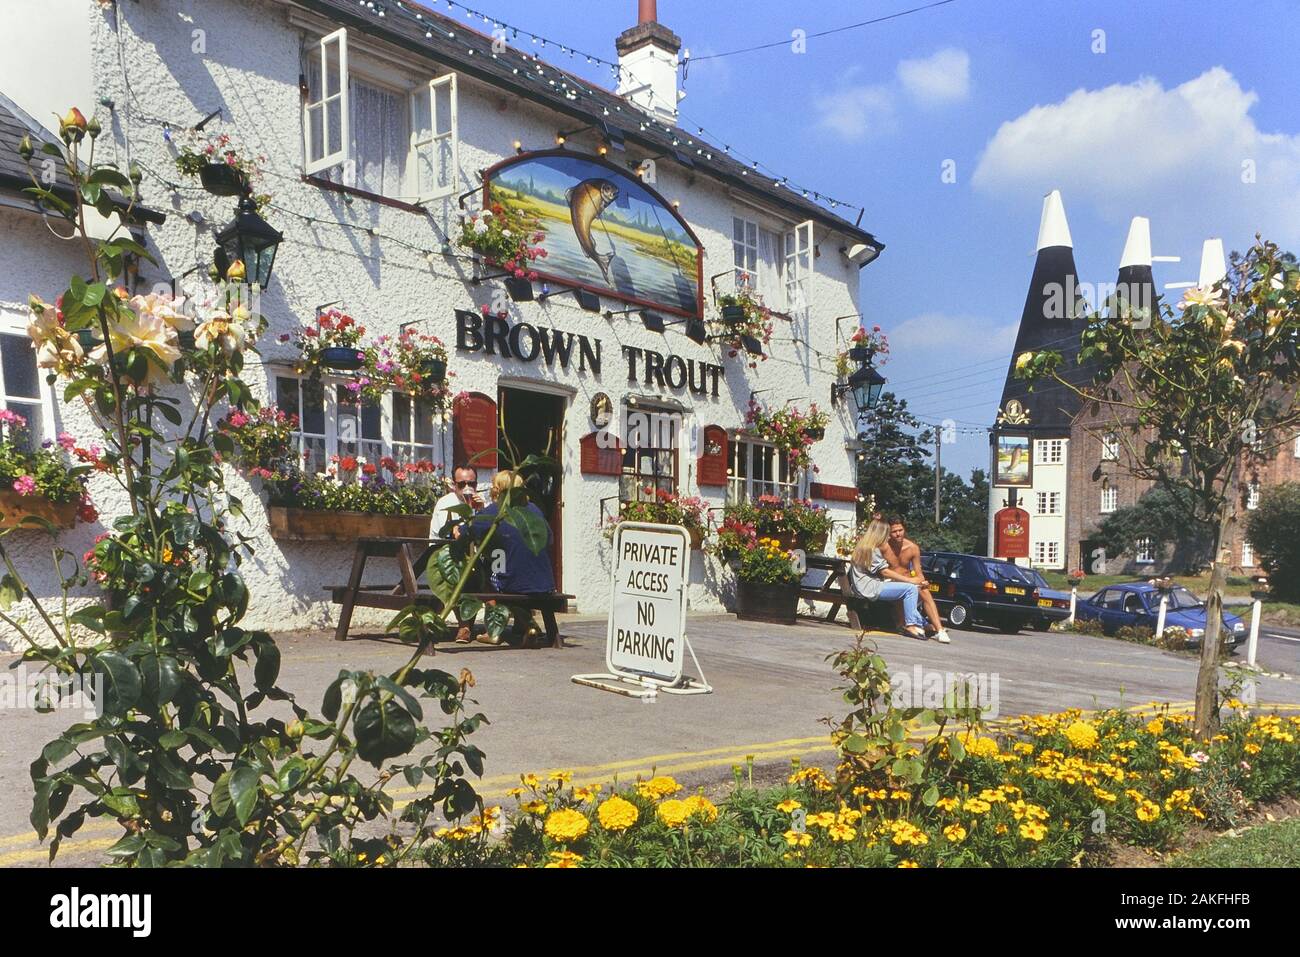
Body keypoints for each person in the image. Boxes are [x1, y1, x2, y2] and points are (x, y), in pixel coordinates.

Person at [465, 470, 555, 643]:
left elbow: (464, 533)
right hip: (545, 584)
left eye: (493, 487)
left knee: (483, 570)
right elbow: (549, 539)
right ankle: (525, 626)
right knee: (509, 565)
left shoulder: (496, 510)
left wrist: (458, 528)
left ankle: (494, 631)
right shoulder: (535, 510)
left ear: (498, 490)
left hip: (513, 584)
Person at [849, 519, 928, 640]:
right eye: (887, 534)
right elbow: (884, 571)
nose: (888, 538)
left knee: (907, 589)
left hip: (864, 586)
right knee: (910, 589)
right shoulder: (871, 549)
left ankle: (920, 623)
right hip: (870, 588)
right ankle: (911, 625)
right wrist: (910, 580)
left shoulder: (864, 546)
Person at [882, 516, 951, 644]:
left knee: (924, 589)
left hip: (909, 582)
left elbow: (919, 574)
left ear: (904, 530)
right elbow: (881, 571)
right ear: (889, 533)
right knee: (903, 619)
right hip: (890, 583)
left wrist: (921, 581)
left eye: (900, 530)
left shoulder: (912, 548)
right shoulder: (884, 547)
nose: (898, 534)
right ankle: (924, 626)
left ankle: (939, 630)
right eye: (894, 531)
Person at [431, 464, 485, 539]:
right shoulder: (445, 503)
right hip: (444, 548)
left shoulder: (477, 503)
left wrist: (481, 511)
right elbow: (451, 534)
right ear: (454, 485)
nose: (467, 488)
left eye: (471, 484)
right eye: (462, 484)